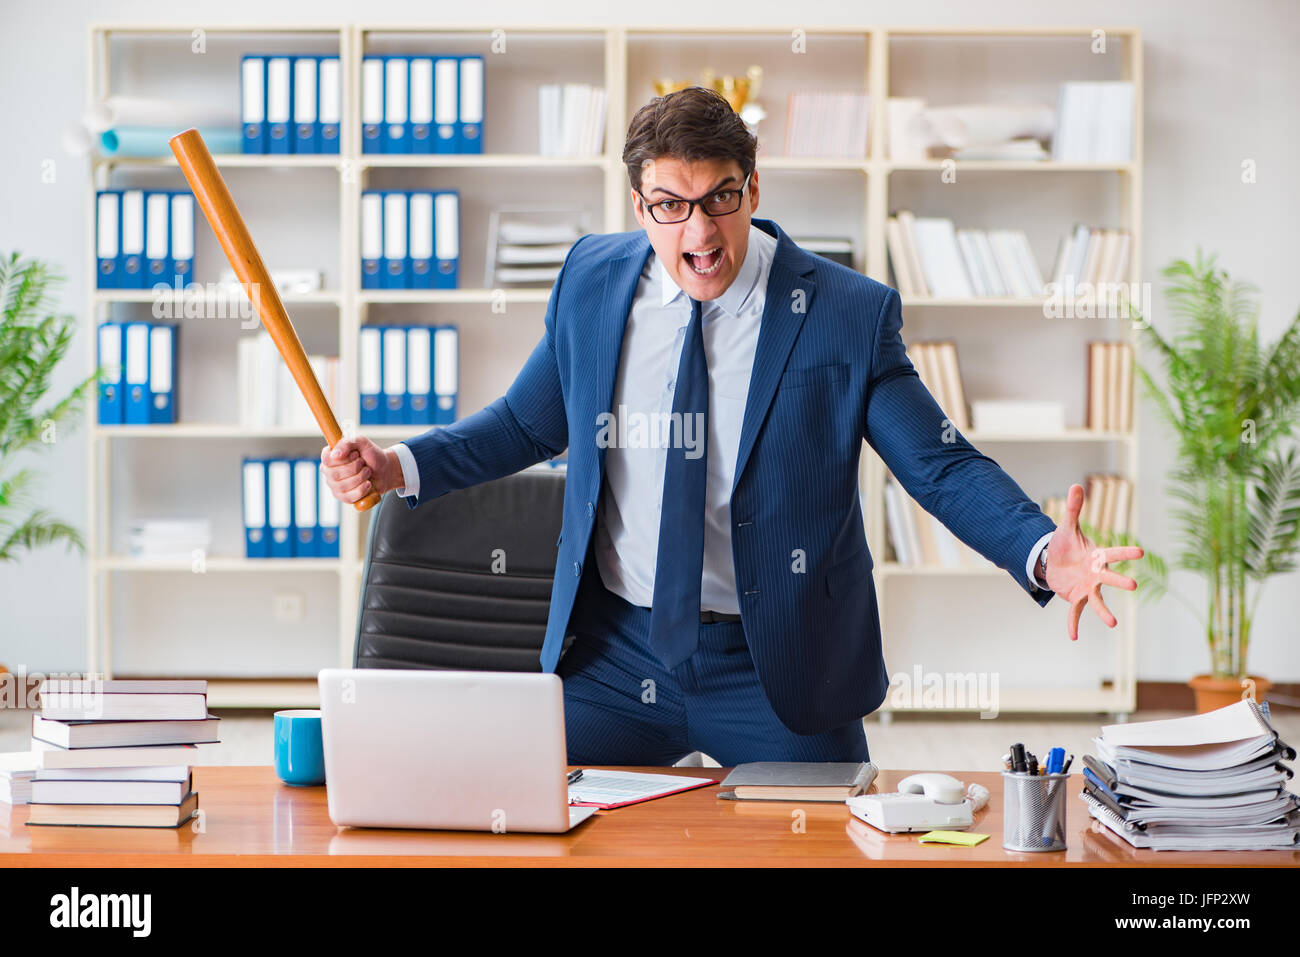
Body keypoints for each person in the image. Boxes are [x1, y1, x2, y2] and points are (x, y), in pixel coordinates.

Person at [321, 87, 1142, 766]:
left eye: (719, 197)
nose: (701, 232)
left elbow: (940, 465)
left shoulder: (844, 314)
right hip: (616, 654)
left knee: (826, 849)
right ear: (640, 204)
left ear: (753, 187)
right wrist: (397, 464)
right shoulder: (592, 280)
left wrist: (1041, 546)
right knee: (536, 827)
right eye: (671, 206)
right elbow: (526, 424)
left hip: (776, 664)